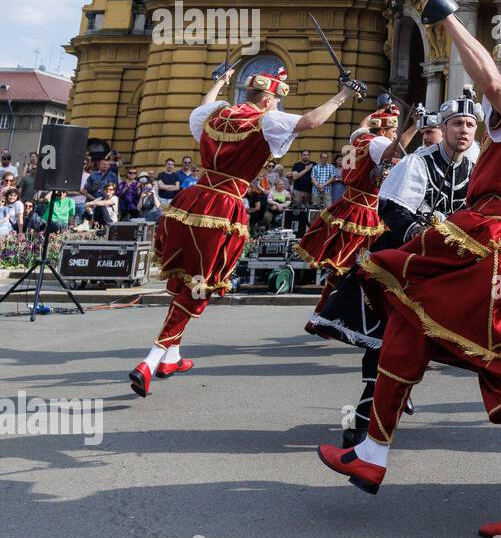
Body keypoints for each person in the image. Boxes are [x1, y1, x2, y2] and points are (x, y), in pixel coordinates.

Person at [317, 0, 501, 538]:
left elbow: (492, 83)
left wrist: (448, 18)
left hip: (496, 234)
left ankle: (374, 452)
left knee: (404, 298)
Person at [129, 64, 364, 398]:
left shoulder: (215, 114)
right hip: (222, 209)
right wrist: (343, 95)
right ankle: (151, 358)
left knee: (186, 278)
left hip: (189, 203)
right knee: (200, 284)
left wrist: (219, 83)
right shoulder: (265, 120)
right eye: (276, 103)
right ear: (268, 100)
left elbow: (202, 105)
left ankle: (172, 356)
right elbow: (311, 121)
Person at [310, 100, 481, 447]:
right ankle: (361, 426)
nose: (463, 130)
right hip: (400, 265)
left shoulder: (474, 167)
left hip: (441, 268)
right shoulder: (417, 163)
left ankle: (385, 407)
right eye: (457, 124)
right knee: (388, 343)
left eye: (470, 125)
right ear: (444, 129)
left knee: (418, 344)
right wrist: (429, 236)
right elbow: (392, 209)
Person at [294, 105, 414, 312]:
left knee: (343, 265)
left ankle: (327, 308)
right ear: (384, 132)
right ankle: (335, 310)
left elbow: (363, 125)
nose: (395, 135)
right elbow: (395, 149)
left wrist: (379, 110)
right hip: (363, 212)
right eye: (393, 132)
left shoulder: (359, 139)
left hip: (346, 204)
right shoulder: (378, 142)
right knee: (354, 265)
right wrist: (416, 125)